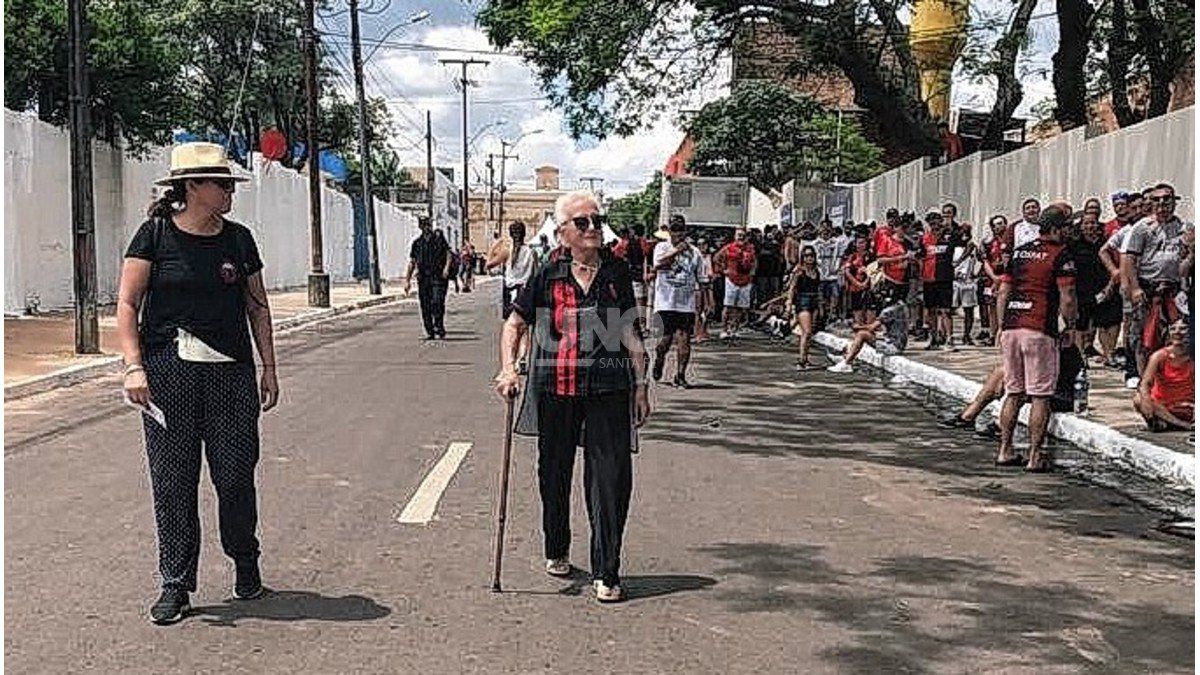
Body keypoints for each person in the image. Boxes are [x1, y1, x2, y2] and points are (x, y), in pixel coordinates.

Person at [117, 142, 278, 625]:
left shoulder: (239, 240)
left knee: (234, 476)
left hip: (231, 374)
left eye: (230, 183)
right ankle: (175, 582)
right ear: (192, 187)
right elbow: (127, 304)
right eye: (221, 183)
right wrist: (133, 366)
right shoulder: (155, 236)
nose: (229, 191)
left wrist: (269, 366)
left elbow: (257, 306)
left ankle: (245, 560)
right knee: (173, 482)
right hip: (168, 375)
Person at [494, 191, 650, 604]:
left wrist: (641, 386)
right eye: (583, 223)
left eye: (597, 220)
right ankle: (557, 545)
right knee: (554, 473)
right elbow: (514, 325)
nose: (594, 228)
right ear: (563, 232)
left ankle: (607, 570)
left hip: (608, 388)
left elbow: (631, 333)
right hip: (556, 388)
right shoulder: (548, 274)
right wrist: (509, 368)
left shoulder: (617, 272)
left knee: (610, 479)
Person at [995, 205, 1078, 472]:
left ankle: (1005, 450)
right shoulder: (1061, 255)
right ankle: (1034, 456)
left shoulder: (1019, 252)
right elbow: (1067, 297)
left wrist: (1000, 325)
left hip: (1011, 326)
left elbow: (1003, 291)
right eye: (1066, 226)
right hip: (1039, 328)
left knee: (1014, 392)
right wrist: (1071, 325)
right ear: (1055, 229)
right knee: (1041, 396)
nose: (1070, 230)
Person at [1120, 183, 1192, 383]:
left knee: (1177, 335)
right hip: (1147, 288)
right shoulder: (1142, 228)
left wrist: (1192, 251)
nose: (1162, 204)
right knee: (1143, 337)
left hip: (1175, 290)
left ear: (1174, 201)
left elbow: (1187, 262)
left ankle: (1171, 377)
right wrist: (1134, 288)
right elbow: (1130, 260)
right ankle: (1143, 379)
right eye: (1157, 200)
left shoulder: (1184, 228)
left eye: (1167, 199)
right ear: (1150, 203)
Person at [651, 215, 708, 388]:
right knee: (665, 341)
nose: (677, 234)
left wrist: (704, 304)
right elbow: (658, 265)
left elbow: (702, 279)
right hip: (665, 302)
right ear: (669, 231)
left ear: (685, 231)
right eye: (674, 230)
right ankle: (660, 358)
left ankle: (680, 374)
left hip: (685, 303)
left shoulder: (695, 252)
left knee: (684, 339)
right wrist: (677, 251)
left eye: (680, 230)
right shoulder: (661, 247)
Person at [1071, 212, 1122, 364]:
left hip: (1106, 288)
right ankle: (1080, 356)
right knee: (1080, 324)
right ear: (1080, 227)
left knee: (1109, 322)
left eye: (1093, 223)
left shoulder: (1107, 244)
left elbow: (1116, 266)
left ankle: (1109, 354)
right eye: (1086, 224)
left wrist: (1110, 286)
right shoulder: (1074, 246)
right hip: (1082, 290)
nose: (1090, 226)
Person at [827, 284, 909, 373]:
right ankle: (846, 357)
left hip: (893, 346)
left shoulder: (889, 311)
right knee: (862, 335)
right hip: (898, 343)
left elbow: (872, 327)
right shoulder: (903, 306)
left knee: (862, 334)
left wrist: (857, 327)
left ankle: (847, 363)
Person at [1133, 320, 1194, 431]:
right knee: (1138, 399)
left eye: (1183, 328)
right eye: (1173, 329)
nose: (1178, 332)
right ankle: (1181, 425)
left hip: (1189, 407)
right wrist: (1146, 400)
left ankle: (1169, 424)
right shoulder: (1159, 356)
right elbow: (1145, 383)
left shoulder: (1194, 356)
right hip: (1163, 408)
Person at [404, 216, 453, 340]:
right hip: (423, 278)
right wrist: (407, 281)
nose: (426, 227)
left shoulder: (438, 239)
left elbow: (448, 253)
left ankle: (439, 326)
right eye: (423, 225)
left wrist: (446, 268)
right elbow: (412, 262)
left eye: (428, 224)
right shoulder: (417, 243)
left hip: (438, 277)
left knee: (437, 302)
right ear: (420, 226)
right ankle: (430, 331)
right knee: (425, 305)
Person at [919, 210, 955, 349]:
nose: (934, 224)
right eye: (931, 222)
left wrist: (957, 263)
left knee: (946, 310)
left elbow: (969, 245)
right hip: (929, 279)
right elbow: (920, 256)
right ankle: (933, 338)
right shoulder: (925, 239)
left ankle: (949, 339)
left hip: (945, 278)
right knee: (931, 310)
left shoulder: (949, 236)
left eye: (936, 221)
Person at [714, 226, 757, 339]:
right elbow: (716, 258)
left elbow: (754, 262)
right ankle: (724, 330)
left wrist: (752, 274)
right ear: (735, 236)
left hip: (746, 280)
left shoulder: (750, 248)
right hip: (731, 280)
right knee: (728, 306)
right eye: (739, 235)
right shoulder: (728, 248)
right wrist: (724, 270)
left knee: (741, 307)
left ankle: (734, 329)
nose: (741, 238)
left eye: (743, 235)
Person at [788, 246, 822, 370]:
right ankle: (801, 360)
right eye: (806, 256)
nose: (809, 258)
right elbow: (792, 289)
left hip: (814, 301)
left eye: (811, 255)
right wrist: (789, 305)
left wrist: (821, 305)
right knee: (806, 332)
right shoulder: (799, 271)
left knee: (810, 333)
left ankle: (806, 358)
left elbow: (818, 289)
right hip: (802, 301)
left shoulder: (817, 271)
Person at [978, 215, 1009, 345]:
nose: (998, 226)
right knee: (991, 306)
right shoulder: (987, 242)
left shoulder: (1011, 241)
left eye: (1000, 223)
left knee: (1006, 306)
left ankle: (1006, 335)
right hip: (991, 278)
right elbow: (985, 261)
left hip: (1007, 278)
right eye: (995, 224)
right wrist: (994, 278)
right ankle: (992, 334)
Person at [952, 226, 979, 345]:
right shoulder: (953, 247)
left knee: (969, 310)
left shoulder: (972, 246)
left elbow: (974, 256)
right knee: (948, 310)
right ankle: (946, 334)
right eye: (962, 233)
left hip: (968, 282)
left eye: (967, 233)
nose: (964, 236)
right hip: (954, 281)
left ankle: (967, 335)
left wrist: (976, 274)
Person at [814, 221, 843, 326]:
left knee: (835, 296)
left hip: (833, 276)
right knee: (821, 298)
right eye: (823, 228)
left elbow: (840, 257)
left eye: (828, 228)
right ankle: (822, 318)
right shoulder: (814, 244)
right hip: (820, 277)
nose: (825, 230)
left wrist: (836, 268)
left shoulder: (837, 243)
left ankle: (832, 316)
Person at [843, 233, 874, 326]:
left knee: (870, 309)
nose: (861, 245)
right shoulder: (852, 256)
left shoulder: (871, 256)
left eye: (863, 242)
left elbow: (874, 270)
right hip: (855, 288)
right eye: (859, 243)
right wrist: (856, 283)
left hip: (869, 287)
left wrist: (865, 282)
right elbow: (847, 271)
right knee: (857, 309)